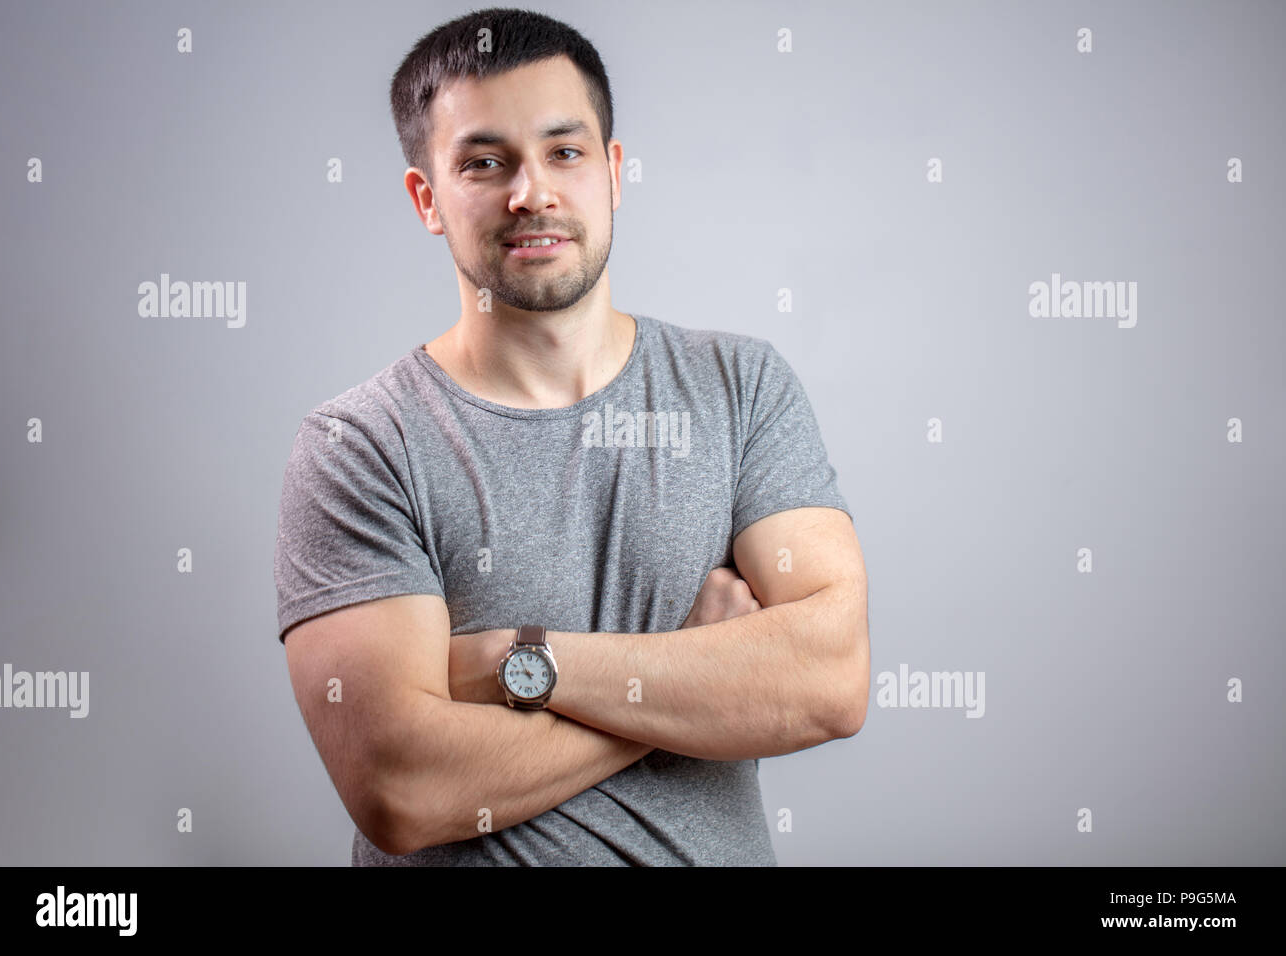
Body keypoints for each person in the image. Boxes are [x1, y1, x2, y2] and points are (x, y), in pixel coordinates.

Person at [273, 7, 869, 866]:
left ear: (614, 172)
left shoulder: (740, 387)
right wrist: (686, 672)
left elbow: (830, 681)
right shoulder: (359, 445)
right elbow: (400, 788)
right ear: (426, 198)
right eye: (485, 162)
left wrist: (519, 665)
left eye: (565, 151)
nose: (533, 193)